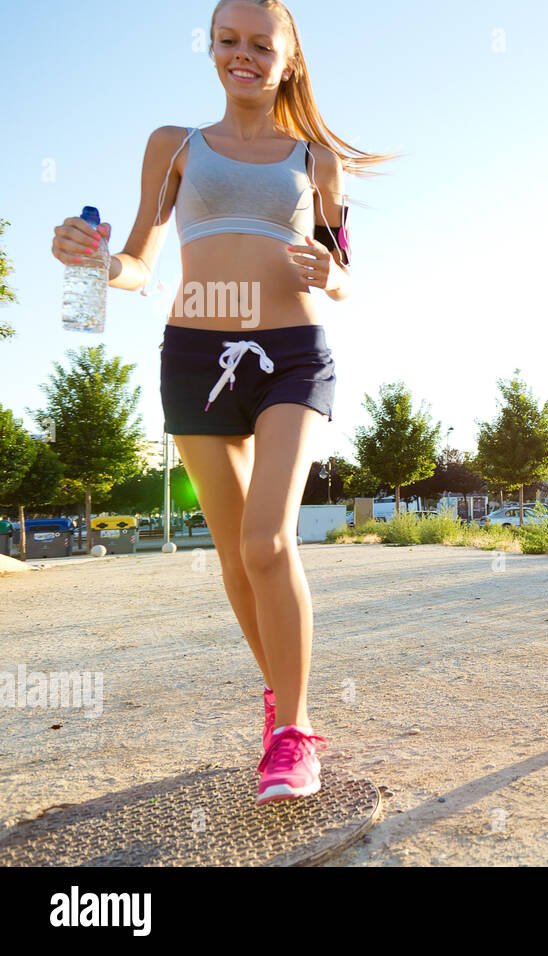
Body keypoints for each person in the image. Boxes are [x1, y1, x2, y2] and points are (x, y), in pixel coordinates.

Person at [50, 0, 391, 801]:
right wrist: (99, 263)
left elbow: (346, 273)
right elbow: (139, 258)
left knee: (270, 540)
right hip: (197, 354)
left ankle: (295, 731)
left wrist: (327, 272)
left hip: (292, 357)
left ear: (288, 59)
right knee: (237, 551)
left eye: (260, 44)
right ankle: (282, 696)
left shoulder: (317, 162)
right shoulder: (174, 147)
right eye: (228, 41)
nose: (244, 54)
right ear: (210, 50)